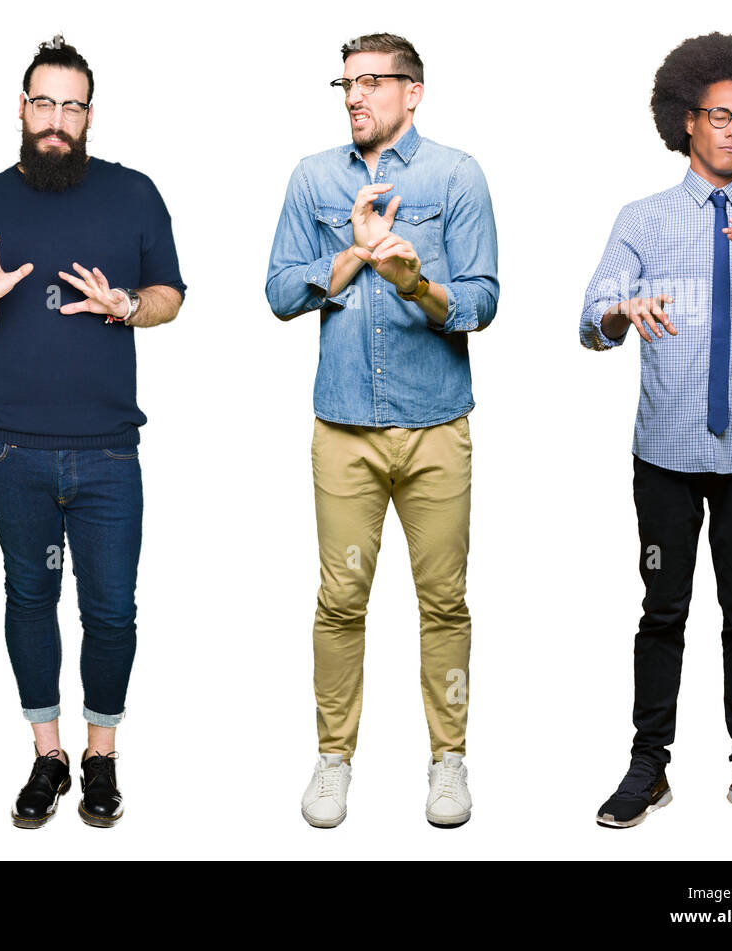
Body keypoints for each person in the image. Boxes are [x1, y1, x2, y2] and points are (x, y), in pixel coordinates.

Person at [0, 35, 185, 829]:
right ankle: (47, 753)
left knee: (112, 609)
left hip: (110, 447)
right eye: (43, 103)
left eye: (72, 105)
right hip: (11, 445)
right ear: (21, 108)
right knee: (30, 593)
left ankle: (101, 754)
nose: (56, 119)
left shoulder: (135, 193)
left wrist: (127, 306)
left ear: (89, 114)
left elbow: (170, 295)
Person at [266, 33, 498, 829]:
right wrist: (353, 260)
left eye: (371, 82)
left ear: (414, 91)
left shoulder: (455, 176)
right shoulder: (313, 178)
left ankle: (449, 757)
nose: (355, 96)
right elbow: (277, 290)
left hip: (436, 428)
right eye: (346, 83)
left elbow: (482, 300)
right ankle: (334, 758)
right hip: (344, 433)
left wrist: (413, 281)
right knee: (340, 600)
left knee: (445, 600)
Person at [581, 32, 732, 830]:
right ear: (687, 120)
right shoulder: (642, 221)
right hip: (666, 459)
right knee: (663, 612)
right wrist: (622, 307)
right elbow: (591, 316)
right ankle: (649, 767)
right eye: (719, 116)